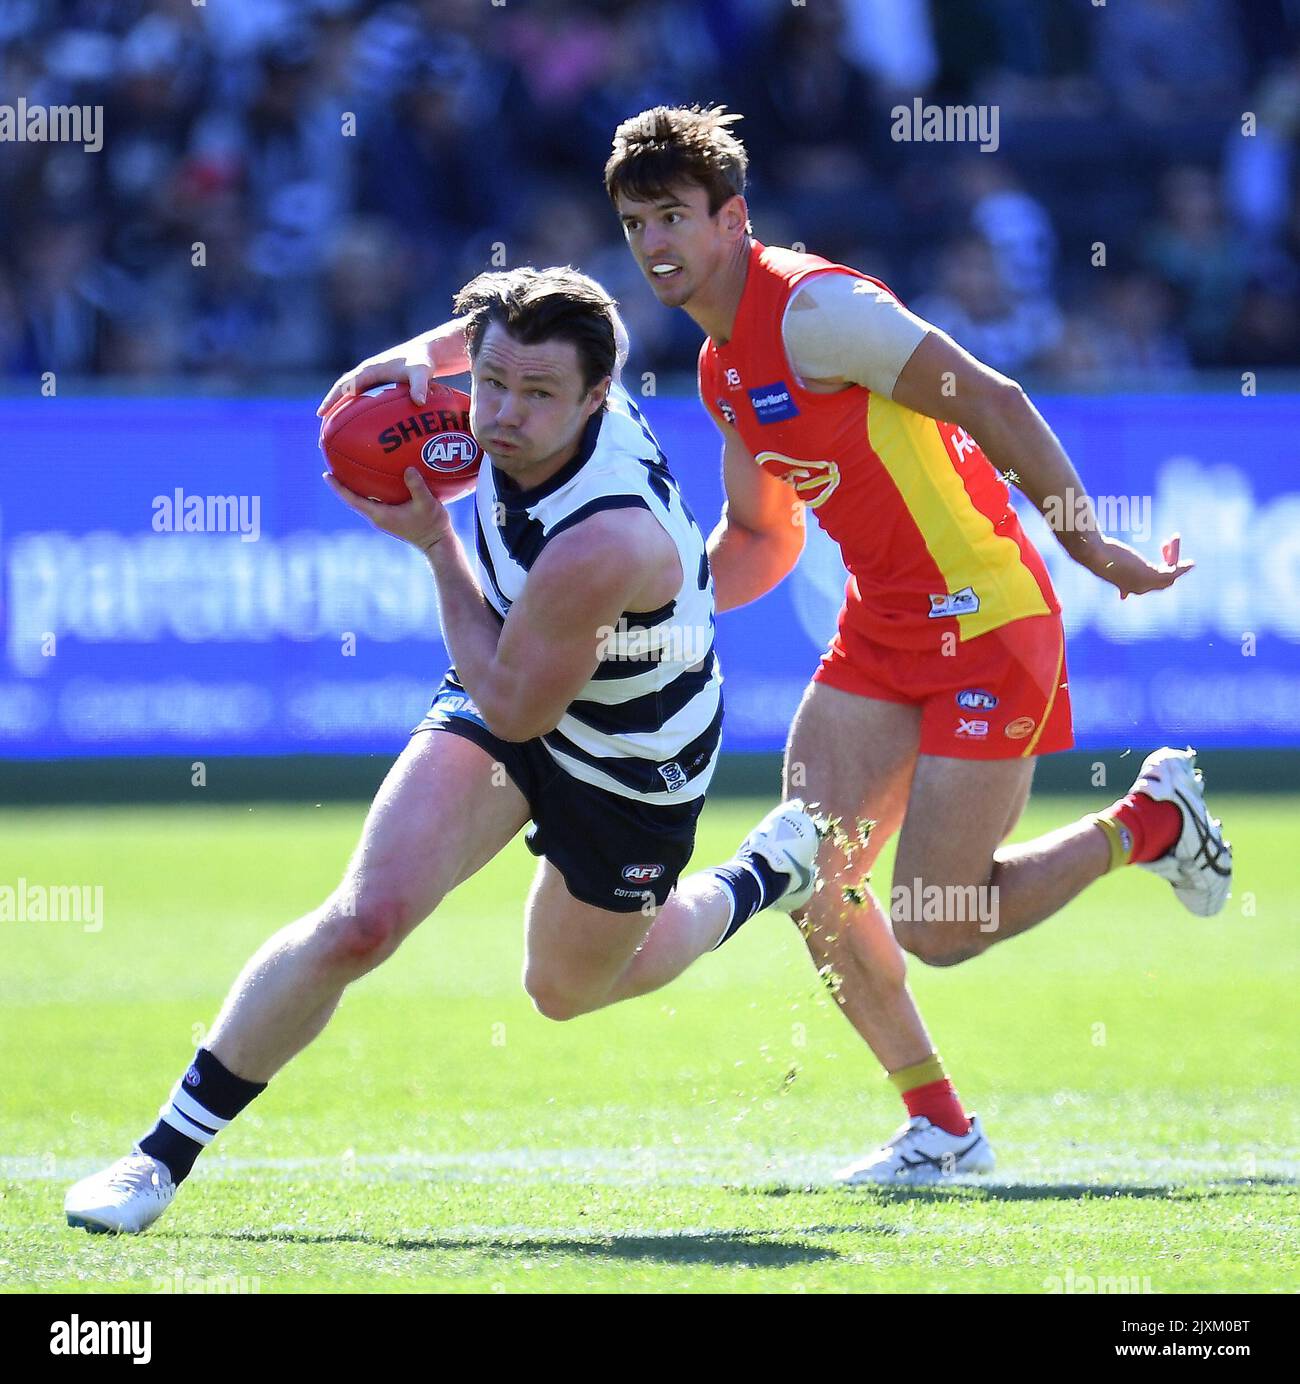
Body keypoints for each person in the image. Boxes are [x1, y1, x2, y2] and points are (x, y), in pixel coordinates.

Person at [63, 266, 819, 1234]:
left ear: (600, 396)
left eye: (536, 394)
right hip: (522, 663)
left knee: (562, 990)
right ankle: (156, 1159)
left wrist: (431, 543)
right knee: (362, 920)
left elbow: (510, 702)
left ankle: (760, 874)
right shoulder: (521, 362)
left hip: (630, 752)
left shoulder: (606, 536)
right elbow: (479, 336)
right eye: (490, 382)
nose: (500, 413)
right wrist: (411, 357)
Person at [601, 105, 1231, 1184]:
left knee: (940, 921)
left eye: (672, 216)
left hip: (987, 620)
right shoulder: (717, 369)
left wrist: (1090, 546)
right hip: (881, 634)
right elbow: (759, 535)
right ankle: (943, 1128)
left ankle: (1148, 820)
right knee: (812, 875)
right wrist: (655, 617)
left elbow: (993, 398)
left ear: (731, 217)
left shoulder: (818, 310)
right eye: (633, 223)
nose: (654, 243)